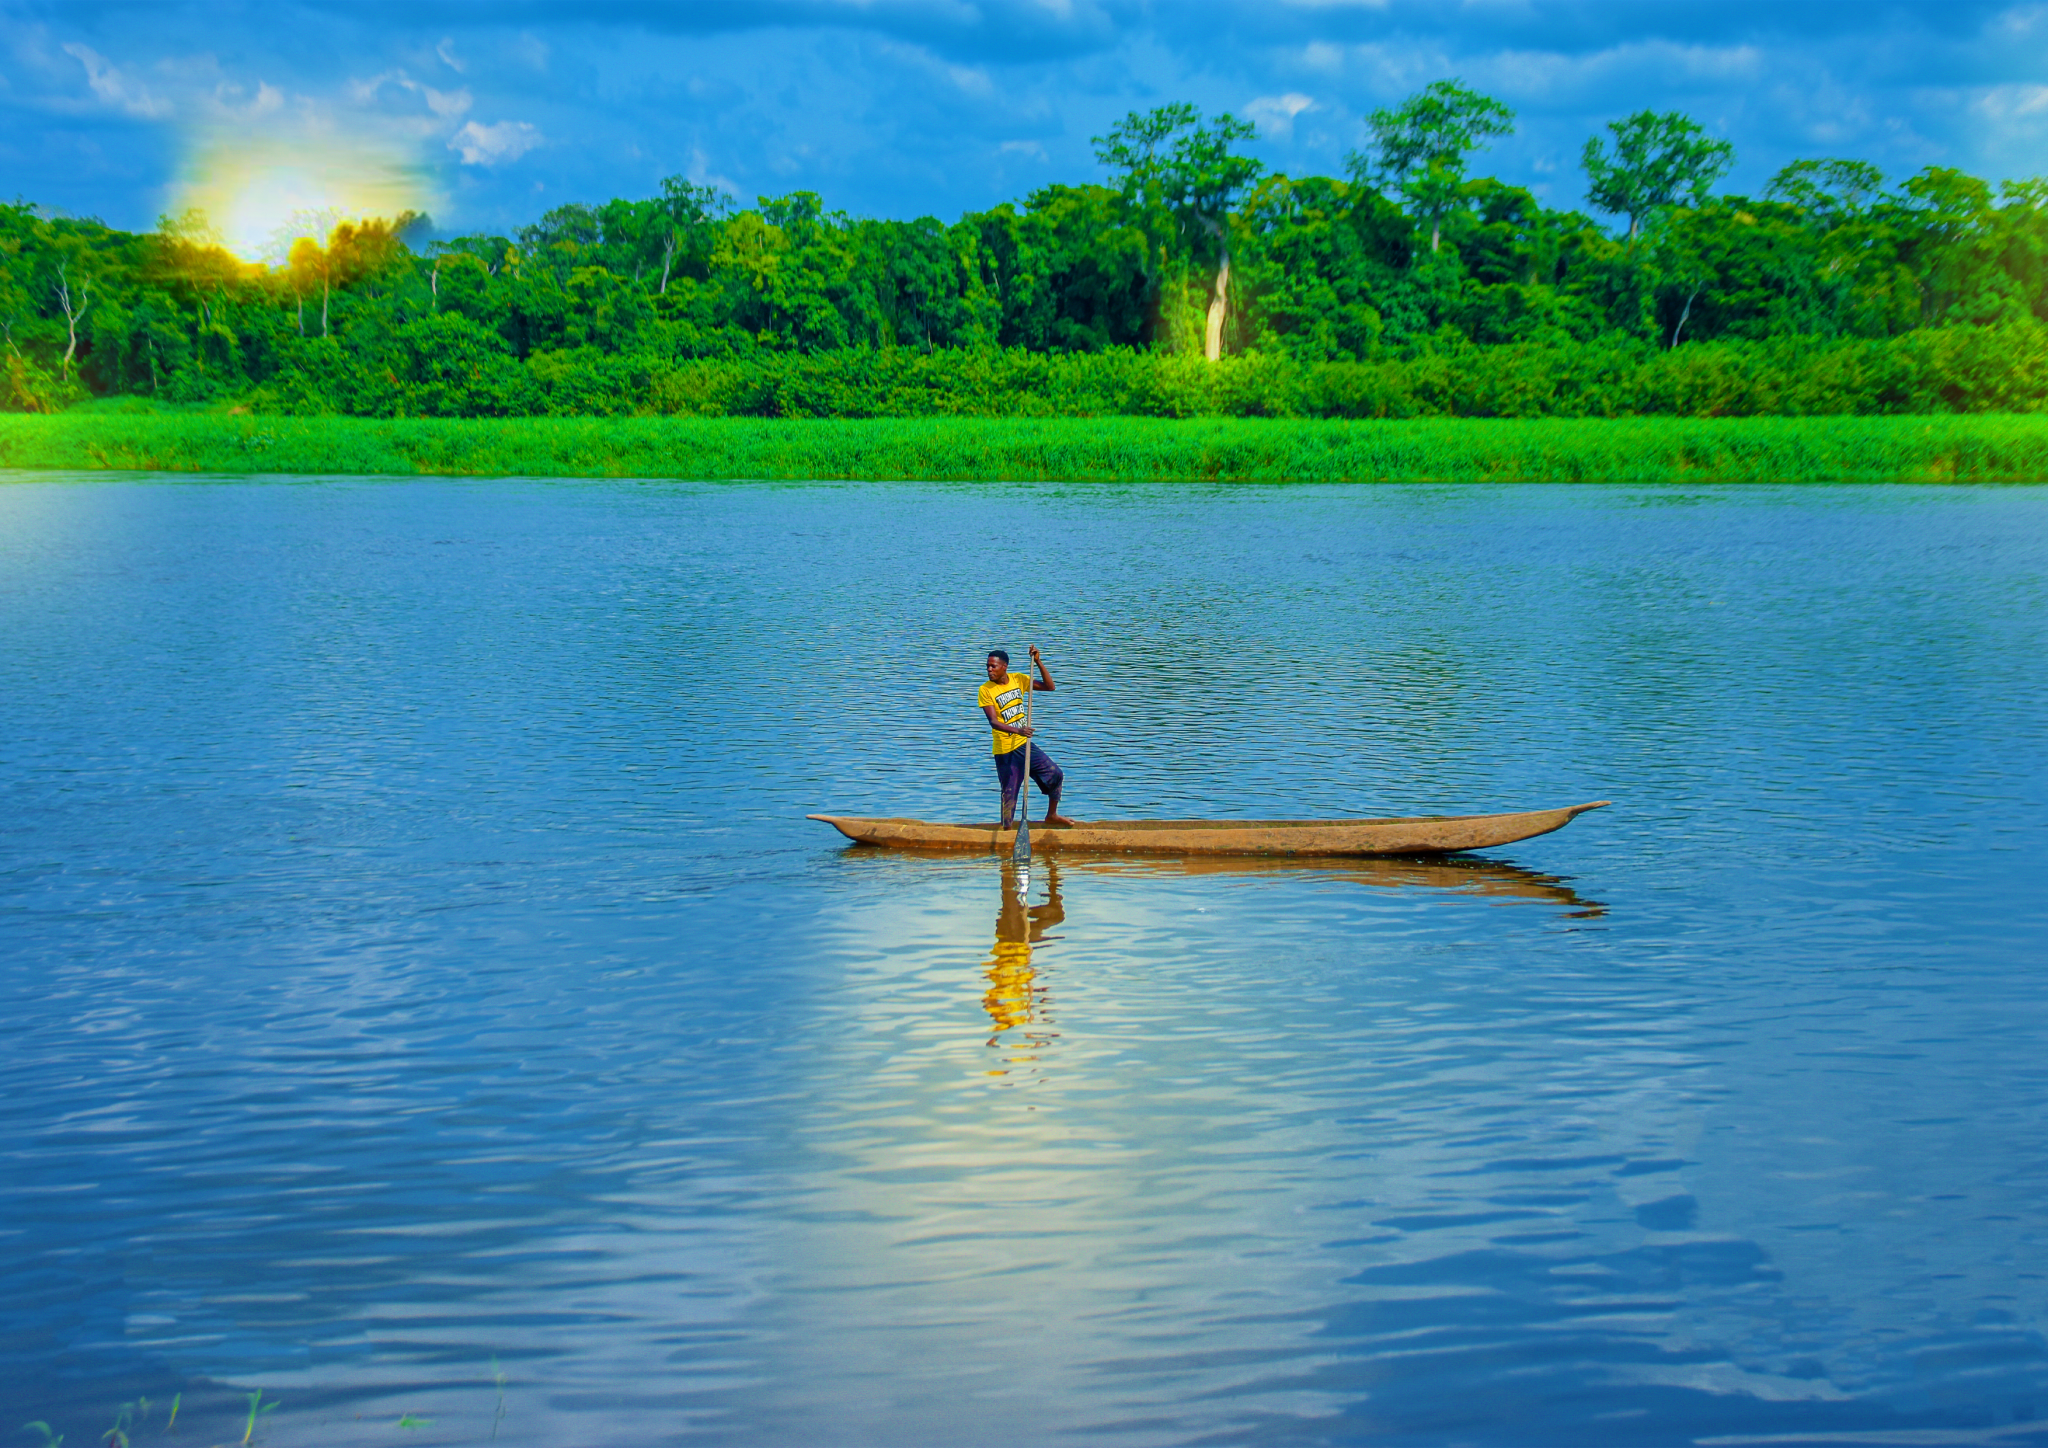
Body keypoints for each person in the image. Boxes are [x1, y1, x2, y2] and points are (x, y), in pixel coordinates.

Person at [978, 645, 1073, 828]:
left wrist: (1038, 662)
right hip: (1005, 751)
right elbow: (994, 722)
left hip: (1024, 745)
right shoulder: (985, 690)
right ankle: (1007, 829)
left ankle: (1052, 815)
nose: (989, 670)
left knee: (1055, 774)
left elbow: (1049, 686)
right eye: (987, 666)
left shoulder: (1018, 680)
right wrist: (1018, 731)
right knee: (1009, 794)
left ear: (1004, 667)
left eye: (993, 666)